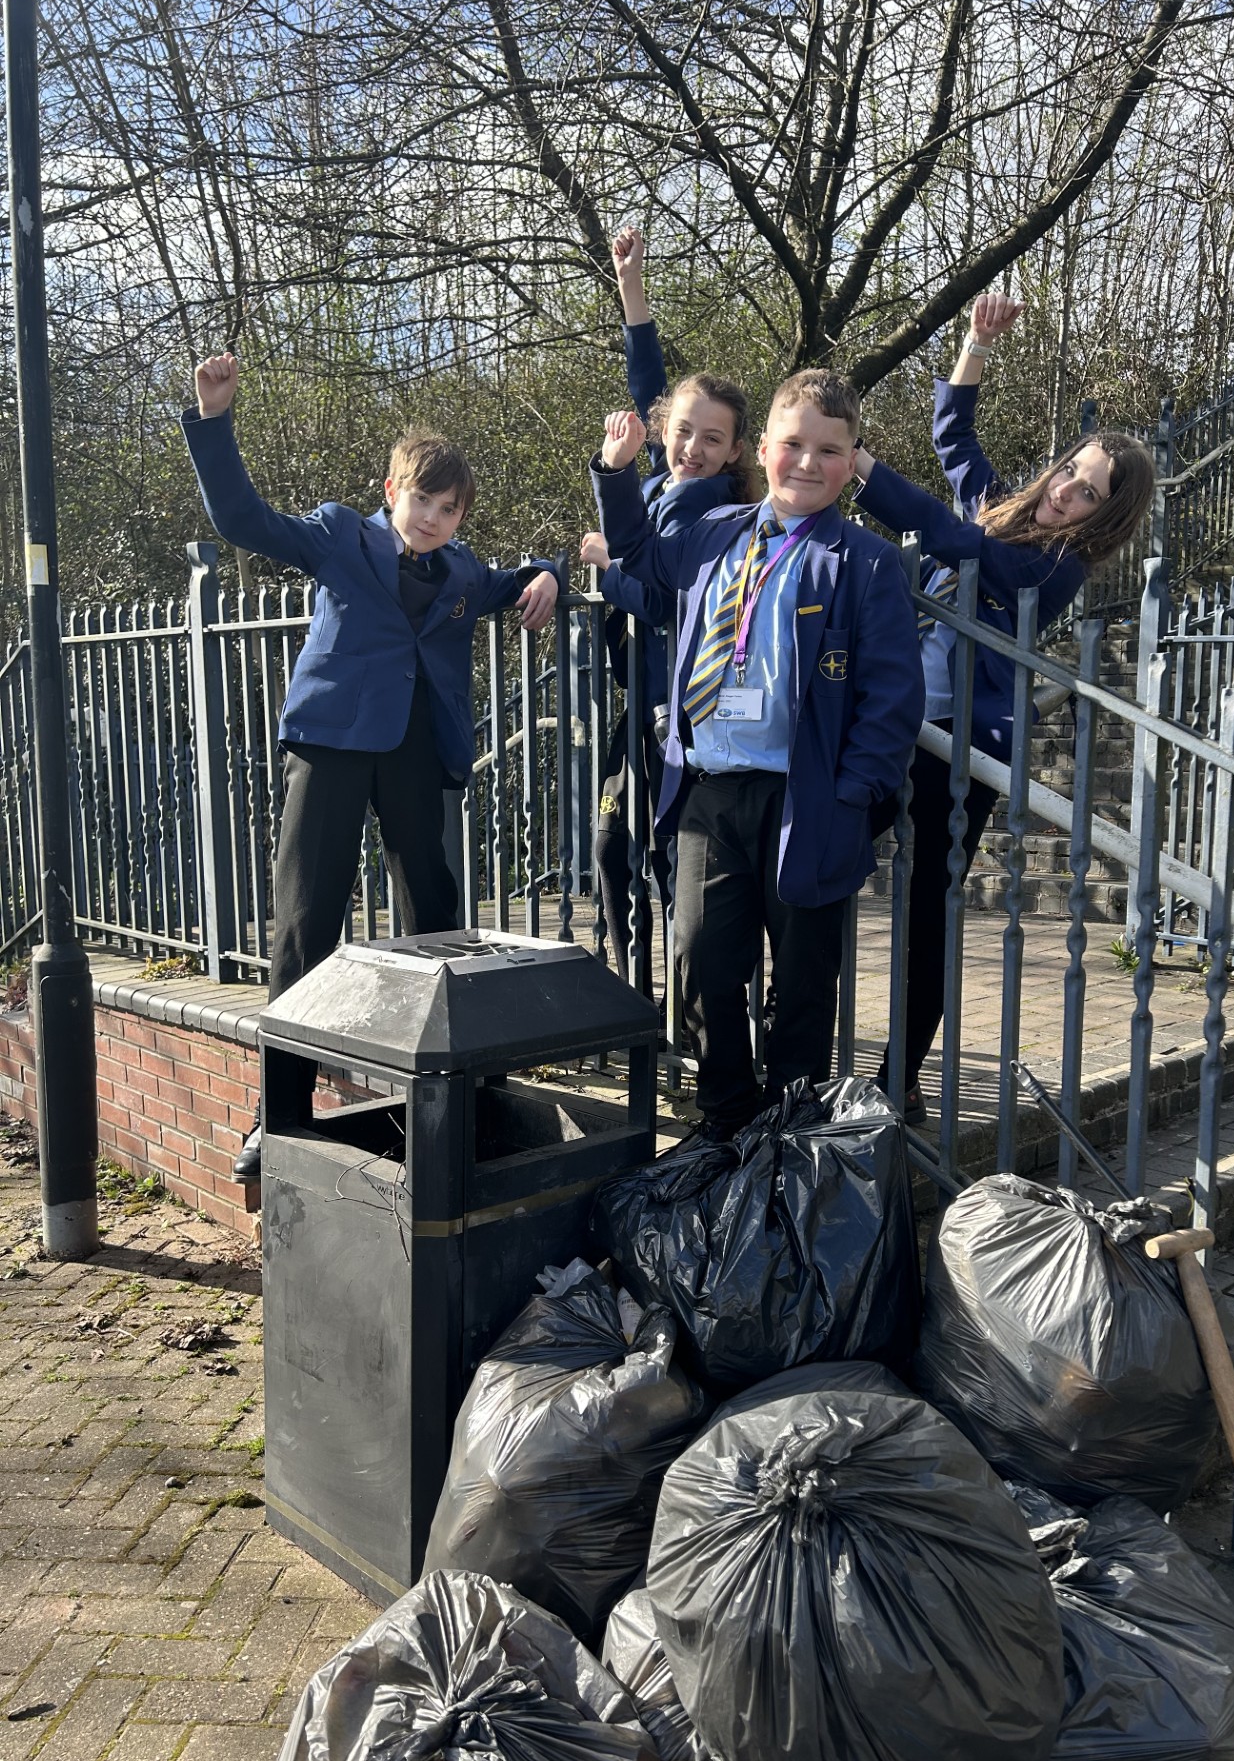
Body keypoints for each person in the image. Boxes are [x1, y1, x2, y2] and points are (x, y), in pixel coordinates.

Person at [181, 352, 558, 1180]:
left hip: (419, 754)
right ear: (393, 491)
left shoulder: (460, 570)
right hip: (334, 745)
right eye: (423, 498)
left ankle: (464, 1091)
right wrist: (214, 423)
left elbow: (512, 584)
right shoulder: (338, 535)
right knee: (305, 922)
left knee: (438, 920)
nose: (434, 517)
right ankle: (278, 1115)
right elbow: (244, 519)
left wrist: (552, 575)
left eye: (450, 508)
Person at [592, 368, 925, 1138]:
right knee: (705, 965)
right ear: (764, 448)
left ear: (851, 461)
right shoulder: (716, 531)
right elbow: (638, 553)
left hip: (805, 801)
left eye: (830, 451)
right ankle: (723, 1123)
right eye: (794, 445)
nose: (808, 464)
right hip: (709, 793)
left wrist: (850, 799)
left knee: (804, 981)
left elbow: (890, 701)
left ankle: (790, 1130)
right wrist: (615, 474)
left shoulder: (864, 562)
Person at [853, 293, 1156, 1123]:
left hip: (960, 752)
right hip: (892, 722)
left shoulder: (1054, 569)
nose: (1065, 493)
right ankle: (793, 1024)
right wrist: (975, 345)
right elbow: (954, 433)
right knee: (816, 852)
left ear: (1106, 516)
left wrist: (865, 470)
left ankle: (898, 1078)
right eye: (1070, 472)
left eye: (1089, 493)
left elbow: (960, 545)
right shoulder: (995, 507)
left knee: (927, 912)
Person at [579, 227, 756, 997]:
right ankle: (630, 988)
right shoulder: (662, 482)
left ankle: (680, 1012)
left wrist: (602, 568)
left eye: (710, 440)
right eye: (682, 433)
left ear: (732, 451)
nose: (691, 448)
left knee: (659, 854)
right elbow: (649, 382)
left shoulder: (712, 508)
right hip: (635, 697)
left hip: (672, 705)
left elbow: (659, 596)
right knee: (612, 841)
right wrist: (632, 289)